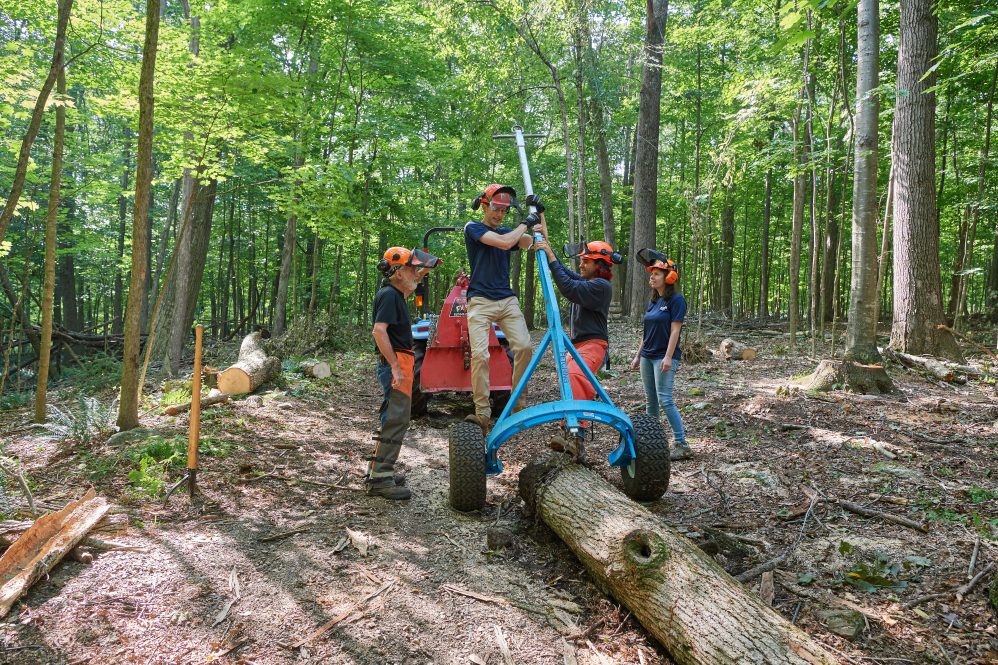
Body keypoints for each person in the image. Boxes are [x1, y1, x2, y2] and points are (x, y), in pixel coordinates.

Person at [463, 184, 546, 432]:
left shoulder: (510, 232)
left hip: (507, 300)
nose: (500, 215)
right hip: (479, 301)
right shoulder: (473, 228)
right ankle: (482, 413)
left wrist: (540, 215)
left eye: (505, 211)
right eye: (497, 209)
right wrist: (525, 222)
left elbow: (536, 241)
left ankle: (517, 406)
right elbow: (502, 242)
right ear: (484, 205)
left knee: (524, 347)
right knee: (480, 355)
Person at [533, 238, 618, 461]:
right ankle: (573, 443)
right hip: (576, 346)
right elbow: (566, 275)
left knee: (575, 377)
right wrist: (548, 249)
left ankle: (575, 435)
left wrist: (550, 255)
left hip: (593, 345)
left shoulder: (600, 287)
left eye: (586, 261)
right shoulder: (587, 282)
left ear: (599, 265)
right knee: (568, 386)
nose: (581, 264)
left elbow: (568, 287)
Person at [368, 246, 441, 499]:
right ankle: (380, 479)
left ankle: (378, 470)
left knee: (394, 417)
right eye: (409, 267)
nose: (413, 271)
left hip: (402, 362)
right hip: (396, 362)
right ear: (397, 272)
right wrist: (395, 368)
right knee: (395, 419)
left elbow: (410, 286)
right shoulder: (389, 295)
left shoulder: (395, 293)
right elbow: (379, 331)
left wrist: (421, 272)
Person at [629, 253, 691, 461]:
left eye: (656, 274)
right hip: (647, 356)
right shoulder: (654, 301)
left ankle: (681, 443)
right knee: (651, 402)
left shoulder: (677, 300)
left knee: (665, 400)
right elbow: (646, 334)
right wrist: (638, 357)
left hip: (664, 358)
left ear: (669, 277)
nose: (652, 277)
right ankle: (651, 443)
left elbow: (675, 331)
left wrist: (668, 357)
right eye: (651, 274)